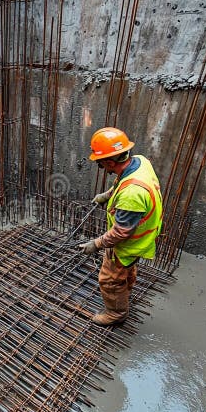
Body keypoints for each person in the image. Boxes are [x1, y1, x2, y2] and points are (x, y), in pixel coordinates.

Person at [78, 127, 163, 326]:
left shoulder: (132, 194)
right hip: (142, 236)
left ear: (110, 161)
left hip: (129, 243)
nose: (100, 166)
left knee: (109, 279)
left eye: (100, 163)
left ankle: (116, 313)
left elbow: (121, 232)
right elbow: (123, 179)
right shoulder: (140, 161)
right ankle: (127, 285)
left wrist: (96, 244)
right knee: (126, 268)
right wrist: (107, 195)